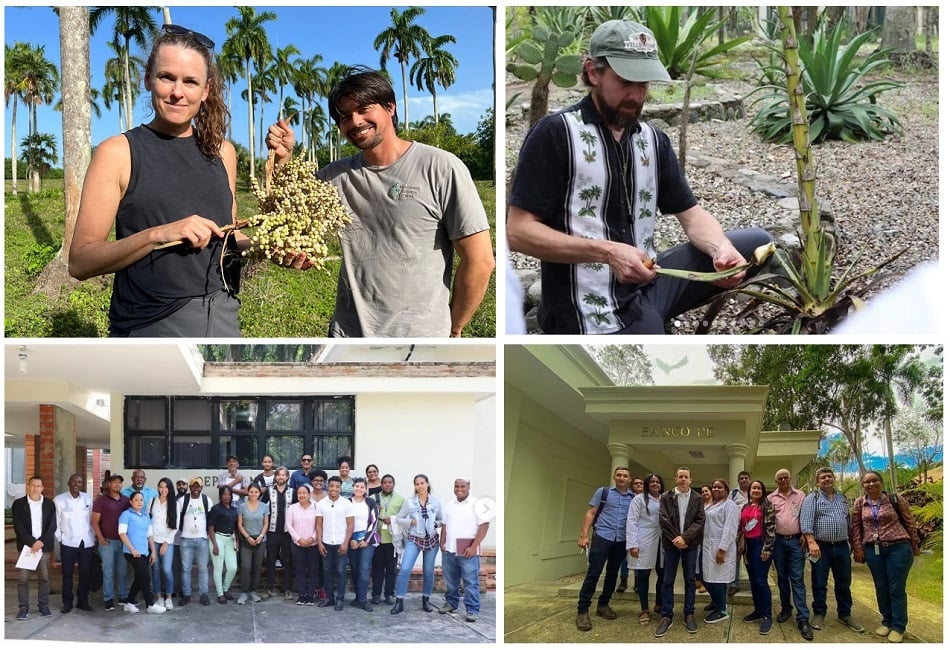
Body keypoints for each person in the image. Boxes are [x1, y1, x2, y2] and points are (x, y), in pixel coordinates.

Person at [507, 19, 771, 334]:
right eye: (626, 81)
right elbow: (518, 232)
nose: (636, 95)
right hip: (586, 309)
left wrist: (720, 250)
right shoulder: (555, 133)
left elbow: (691, 215)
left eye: (644, 83)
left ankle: (653, 315)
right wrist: (607, 251)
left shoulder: (653, 139)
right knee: (650, 339)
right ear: (593, 72)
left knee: (757, 244)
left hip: (649, 284)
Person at [267, 66, 495, 338]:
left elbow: (480, 261)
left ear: (390, 106)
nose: (355, 121)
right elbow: (282, 215)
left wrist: (454, 328)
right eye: (345, 116)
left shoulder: (441, 168)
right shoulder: (334, 178)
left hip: (421, 339)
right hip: (347, 337)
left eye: (364, 109)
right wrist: (282, 160)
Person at [69, 26, 239, 336]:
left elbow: (227, 236)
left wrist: (273, 246)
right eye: (167, 77)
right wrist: (158, 235)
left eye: (190, 82)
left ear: (206, 90)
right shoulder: (118, 153)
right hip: (150, 324)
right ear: (148, 79)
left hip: (223, 314)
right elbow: (80, 262)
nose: (178, 92)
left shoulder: (222, 152)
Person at [850, 470, 920, 644]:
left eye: (875, 481)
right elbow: (856, 527)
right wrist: (858, 548)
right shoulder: (860, 503)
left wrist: (914, 545)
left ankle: (898, 626)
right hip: (873, 551)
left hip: (898, 548)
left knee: (896, 588)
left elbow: (909, 521)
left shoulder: (895, 499)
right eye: (867, 482)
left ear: (881, 482)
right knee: (881, 587)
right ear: (863, 485)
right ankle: (887, 621)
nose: (871, 484)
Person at [800, 467, 865, 634]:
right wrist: (811, 542)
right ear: (818, 481)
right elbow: (806, 521)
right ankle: (819, 613)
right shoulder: (812, 498)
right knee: (819, 582)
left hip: (842, 546)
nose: (827, 479)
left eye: (829, 476)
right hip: (821, 547)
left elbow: (848, 522)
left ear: (834, 478)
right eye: (823, 477)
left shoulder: (842, 499)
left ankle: (845, 614)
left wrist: (851, 544)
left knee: (844, 582)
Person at [573, 467, 634, 631]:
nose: (622, 478)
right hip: (602, 537)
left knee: (613, 573)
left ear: (629, 479)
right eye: (619, 475)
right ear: (614, 477)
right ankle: (582, 611)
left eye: (625, 476)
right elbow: (591, 513)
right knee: (594, 573)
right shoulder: (604, 492)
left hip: (621, 540)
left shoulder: (633, 498)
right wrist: (583, 535)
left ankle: (603, 605)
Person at [656, 467, 705, 637]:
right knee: (667, 580)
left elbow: (700, 521)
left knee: (690, 580)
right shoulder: (666, 496)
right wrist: (676, 539)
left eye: (686, 477)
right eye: (680, 477)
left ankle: (689, 614)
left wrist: (685, 539)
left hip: (690, 546)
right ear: (675, 478)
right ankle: (666, 616)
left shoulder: (698, 498)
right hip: (671, 545)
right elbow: (662, 519)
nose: (683, 479)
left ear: (691, 480)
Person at [767, 468, 813, 640]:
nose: (783, 480)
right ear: (776, 481)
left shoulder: (801, 495)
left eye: (786, 477)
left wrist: (805, 534)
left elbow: (806, 516)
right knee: (782, 577)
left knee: (797, 578)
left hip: (796, 541)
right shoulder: (770, 498)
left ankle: (803, 618)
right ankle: (786, 608)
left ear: (790, 478)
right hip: (778, 542)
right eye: (780, 478)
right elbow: (769, 521)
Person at [440, 478, 491, 622]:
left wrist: (474, 547)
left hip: (467, 550)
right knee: (450, 581)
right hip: (449, 550)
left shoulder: (477, 504)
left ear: (469, 487)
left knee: (470, 582)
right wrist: (441, 542)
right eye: (456, 486)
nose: (459, 489)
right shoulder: (449, 505)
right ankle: (451, 603)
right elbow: (444, 525)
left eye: (462, 486)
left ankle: (472, 610)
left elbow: (484, 526)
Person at [392, 474, 443, 614]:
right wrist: (410, 522)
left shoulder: (436, 502)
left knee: (428, 571)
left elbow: (441, 520)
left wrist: (435, 523)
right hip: (414, 538)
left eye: (422, 483)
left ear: (427, 484)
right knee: (405, 569)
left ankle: (426, 600)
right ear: (415, 486)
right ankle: (399, 601)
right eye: (417, 484)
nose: (420, 486)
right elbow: (398, 519)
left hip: (431, 540)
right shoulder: (410, 502)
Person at [13, 476, 57, 620]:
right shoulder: (19, 504)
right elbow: (18, 527)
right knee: (23, 579)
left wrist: (41, 542)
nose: (35, 488)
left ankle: (43, 606)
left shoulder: (49, 504)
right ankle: (23, 607)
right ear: (28, 486)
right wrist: (32, 542)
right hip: (27, 547)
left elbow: (52, 526)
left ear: (42, 488)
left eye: (39, 486)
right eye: (33, 485)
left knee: (44, 577)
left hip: (43, 547)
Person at [625, 472, 664, 626]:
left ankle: (659, 603)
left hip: (662, 540)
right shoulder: (638, 499)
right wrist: (633, 544)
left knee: (663, 573)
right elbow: (632, 521)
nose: (655, 484)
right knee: (643, 575)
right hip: (643, 540)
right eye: (652, 482)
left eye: (657, 482)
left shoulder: (665, 498)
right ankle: (644, 608)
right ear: (647, 484)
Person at [738, 480, 776, 634]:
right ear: (750, 490)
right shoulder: (745, 507)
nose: (756, 490)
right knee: (753, 581)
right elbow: (742, 528)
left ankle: (767, 616)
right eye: (754, 488)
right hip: (748, 547)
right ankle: (758, 611)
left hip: (761, 546)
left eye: (759, 488)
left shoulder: (767, 505)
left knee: (761, 581)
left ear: (763, 490)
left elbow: (771, 528)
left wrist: (767, 548)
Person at [54, 473, 96, 614]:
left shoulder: (87, 498)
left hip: (86, 542)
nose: (77, 484)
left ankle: (82, 600)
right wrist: (61, 539)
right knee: (67, 574)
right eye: (74, 481)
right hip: (68, 543)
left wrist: (93, 537)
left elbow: (92, 520)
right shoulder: (59, 500)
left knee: (85, 573)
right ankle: (67, 602)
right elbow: (56, 523)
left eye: (79, 482)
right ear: (68, 482)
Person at [117, 492, 166, 614]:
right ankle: (150, 604)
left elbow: (150, 535)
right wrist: (132, 549)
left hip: (144, 552)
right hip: (131, 552)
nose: (139, 502)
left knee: (139, 578)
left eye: (141, 500)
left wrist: (153, 552)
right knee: (145, 576)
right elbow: (122, 533)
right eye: (136, 500)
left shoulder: (145, 516)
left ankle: (129, 602)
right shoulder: (126, 515)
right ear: (131, 502)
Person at [700, 479, 739, 625]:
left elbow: (730, 529)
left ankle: (722, 610)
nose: (716, 489)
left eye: (719, 487)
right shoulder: (712, 505)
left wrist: (722, 549)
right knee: (707, 578)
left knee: (718, 580)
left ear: (726, 490)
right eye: (714, 486)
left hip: (721, 547)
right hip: (708, 546)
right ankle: (716, 602)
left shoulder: (730, 506)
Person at [92, 473, 130, 610]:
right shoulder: (101, 501)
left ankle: (123, 596)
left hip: (123, 542)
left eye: (119, 482)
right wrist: (101, 539)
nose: (117, 484)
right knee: (108, 571)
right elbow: (95, 522)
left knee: (123, 570)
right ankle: (108, 599)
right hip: (107, 542)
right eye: (114, 482)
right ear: (109, 484)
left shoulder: (126, 501)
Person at [316, 476, 355, 610]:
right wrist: (319, 543)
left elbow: (350, 525)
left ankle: (340, 599)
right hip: (326, 543)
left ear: (341, 488)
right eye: (332, 486)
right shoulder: (321, 504)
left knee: (340, 572)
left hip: (341, 543)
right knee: (327, 571)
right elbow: (319, 525)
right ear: (328, 486)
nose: (334, 489)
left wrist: (345, 543)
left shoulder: (347, 504)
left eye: (337, 487)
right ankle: (329, 598)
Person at [177, 476, 212, 606]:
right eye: (194, 486)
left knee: (203, 569)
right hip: (186, 539)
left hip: (202, 539)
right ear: (190, 487)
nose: (196, 488)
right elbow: (177, 519)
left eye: (198, 486)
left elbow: (210, 519)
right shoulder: (182, 500)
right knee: (186, 569)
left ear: (201, 487)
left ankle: (204, 594)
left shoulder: (206, 500)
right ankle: (186, 595)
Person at [371, 473, 405, 605]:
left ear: (393, 484)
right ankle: (376, 594)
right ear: (381, 484)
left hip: (393, 539)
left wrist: (393, 520)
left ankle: (389, 594)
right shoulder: (373, 498)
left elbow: (404, 518)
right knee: (377, 568)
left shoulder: (401, 500)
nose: (387, 484)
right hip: (376, 539)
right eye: (384, 482)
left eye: (390, 482)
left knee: (391, 569)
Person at [348, 477, 380, 611]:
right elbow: (343, 523)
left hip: (368, 540)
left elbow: (374, 522)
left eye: (362, 487)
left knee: (364, 569)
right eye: (357, 486)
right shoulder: (347, 502)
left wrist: (365, 540)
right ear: (353, 487)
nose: (359, 489)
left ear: (365, 489)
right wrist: (350, 540)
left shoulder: (370, 502)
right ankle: (357, 598)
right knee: (355, 570)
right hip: (352, 540)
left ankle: (363, 600)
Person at [264, 466, 295, 600]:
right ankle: (269, 588)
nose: (281, 477)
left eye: (283, 475)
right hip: (272, 531)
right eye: (278, 475)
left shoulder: (293, 492)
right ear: (275, 477)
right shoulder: (269, 491)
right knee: (271, 561)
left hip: (288, 532)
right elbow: (262, 509)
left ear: (287, 477)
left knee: (288, 561)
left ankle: (287, 589)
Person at [236, 483, 270, 604]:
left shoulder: (264, 506)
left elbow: (266, 523)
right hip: (246, 540)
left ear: (259, 493)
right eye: (251, 492)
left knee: (257, 567)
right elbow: (240, 524)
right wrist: (247, 537)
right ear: (248, 493)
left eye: (256, 492)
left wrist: (261, 536)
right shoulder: (242, 506)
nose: (253, 494)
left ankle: (253, 591)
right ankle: (244, 592)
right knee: (245, 566)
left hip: (260, 540)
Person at [148, 477, 178, 610]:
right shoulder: (152, 501)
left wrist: (166, 543)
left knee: (166, 570)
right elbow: (148, 522)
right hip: (154, 540)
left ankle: (169, 597)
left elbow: (175, 526)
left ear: (170, 489)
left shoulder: (174, 503)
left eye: (166, 487)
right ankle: (158, 597)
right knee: (155, 569)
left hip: (167, 541)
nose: (163, 489)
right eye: (161, 486)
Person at [288, 484, 320, 605]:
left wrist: (312, 538)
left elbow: (319, 525)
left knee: (313, 569)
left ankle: (310, 594)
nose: (302, 495)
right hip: (297, 544)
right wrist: (299, 539)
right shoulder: (292, 508)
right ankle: (302, 594)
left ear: (309, 494)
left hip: (313, 544)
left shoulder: (316, 507)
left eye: (304, 493)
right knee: (299, 569)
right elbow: (289, 526)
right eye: (299, 493)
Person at [208, 485, 239, 603]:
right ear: (221, 496)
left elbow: (235, 528)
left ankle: (226, 589)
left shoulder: (234, 509)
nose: (226, 497)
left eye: (228, 494)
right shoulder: (216, 509)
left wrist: (236, 541)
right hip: (217, 538)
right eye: (224, 494)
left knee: (232, 567)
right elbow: (211, 527)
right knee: (218, 568)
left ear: (231, 496)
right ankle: (220, 593)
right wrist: (214, 544)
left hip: (230, 539)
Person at [619, 476, 645, 594]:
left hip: (640, 533)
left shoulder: (647, 499)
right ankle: (623, 581)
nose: (638, 485)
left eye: (641, 483)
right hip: (624, 532)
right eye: (636, 483)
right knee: (624, 559)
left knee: (637, 557)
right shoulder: (627, 497)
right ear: (632, 485)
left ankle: (637, 583)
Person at [728, 471, 751, 596]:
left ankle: (754, 583)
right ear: (738, 480)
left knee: (750, 558)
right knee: (735, 558)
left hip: (752, 531)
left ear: (749, 479)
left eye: (746, 478)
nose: (743, 480)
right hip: (737, 530)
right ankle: (734, 584)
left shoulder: (754, 492)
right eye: (741, 478)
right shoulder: (733, 494)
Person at [695, 484, 713, 594]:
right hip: (699, 535)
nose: (705, 493)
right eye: (702, 492)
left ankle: (705, 583)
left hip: (710, 535)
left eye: (706, 491)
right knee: (698, 558)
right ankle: (699, 578)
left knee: (707, 559)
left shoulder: (715, 505)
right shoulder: (700, 505)